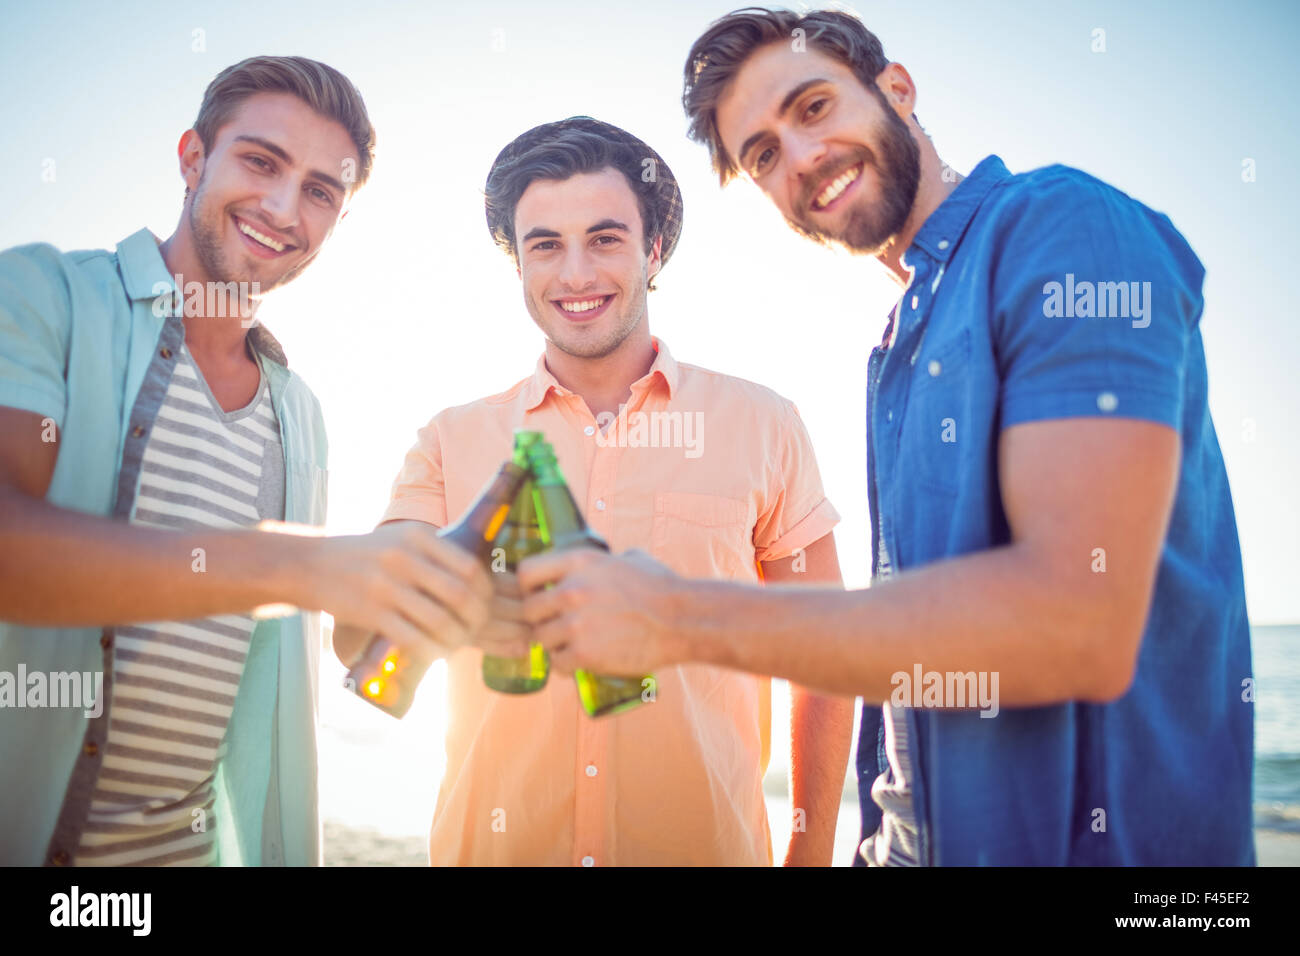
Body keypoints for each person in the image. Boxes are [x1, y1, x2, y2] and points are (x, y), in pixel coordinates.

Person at [515, 9, 1254, 866]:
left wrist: (677, 615)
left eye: (815, 107)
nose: (799, 157)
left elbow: (1076, 623)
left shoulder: (1063, 227)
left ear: (897, 90)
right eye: (761, 153)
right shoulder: (899, 344)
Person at [0, 56, 506, 866]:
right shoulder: (39, 294)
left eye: (319, 191)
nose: (282, 207)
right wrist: (299, 566)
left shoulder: (299, 413)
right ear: (193, 158)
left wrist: (425, 603)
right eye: (261, 162)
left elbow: (304, 641)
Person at [335, 116, 854, 866]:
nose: (575, 273)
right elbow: (363, 636)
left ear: (654, 250)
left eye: (605, 239)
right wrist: (413, 602)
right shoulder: (450, 439)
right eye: (544, 245)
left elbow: (825, 652)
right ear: (517, 265)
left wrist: (809, 855)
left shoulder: (764, 424)